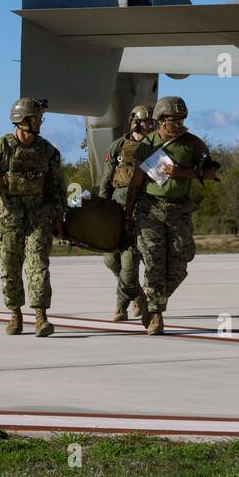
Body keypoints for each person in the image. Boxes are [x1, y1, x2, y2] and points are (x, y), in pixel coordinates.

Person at [0, 98, 64, 337]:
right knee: (10, 268)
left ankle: (41, 317)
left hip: (38, 218)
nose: (39, 122)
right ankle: (15, 315)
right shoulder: (1, 148)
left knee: (39, 266)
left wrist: (59, 217)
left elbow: (57, 186)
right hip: (8, 218)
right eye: (35, 118)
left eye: (39, 118)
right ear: (22, 121)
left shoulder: (48, 152)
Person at [123, 96, 219, 335]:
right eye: (172, 120)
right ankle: (156, 315)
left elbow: (210, 172)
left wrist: (181, 172)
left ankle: (149, 298)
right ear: (161, 121)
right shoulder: (148, 145)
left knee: (181, 260)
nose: (178, 124)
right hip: (150, 207)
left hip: (179, 209)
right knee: (154, 259)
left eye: (181, 119)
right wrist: (128, 213)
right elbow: (136, 182)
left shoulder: (193, 144)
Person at [97, 104, 155, 321]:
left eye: (153, 123)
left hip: (141, 211)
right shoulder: (117, 147)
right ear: (137, 123)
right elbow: (106, 179)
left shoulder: (155, 149)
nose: (152, 126)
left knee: (129, 261)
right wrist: (101, 209)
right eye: (148, 122)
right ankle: (138, 295)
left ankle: (120, 307)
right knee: (111, 259)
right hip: (116, 210)